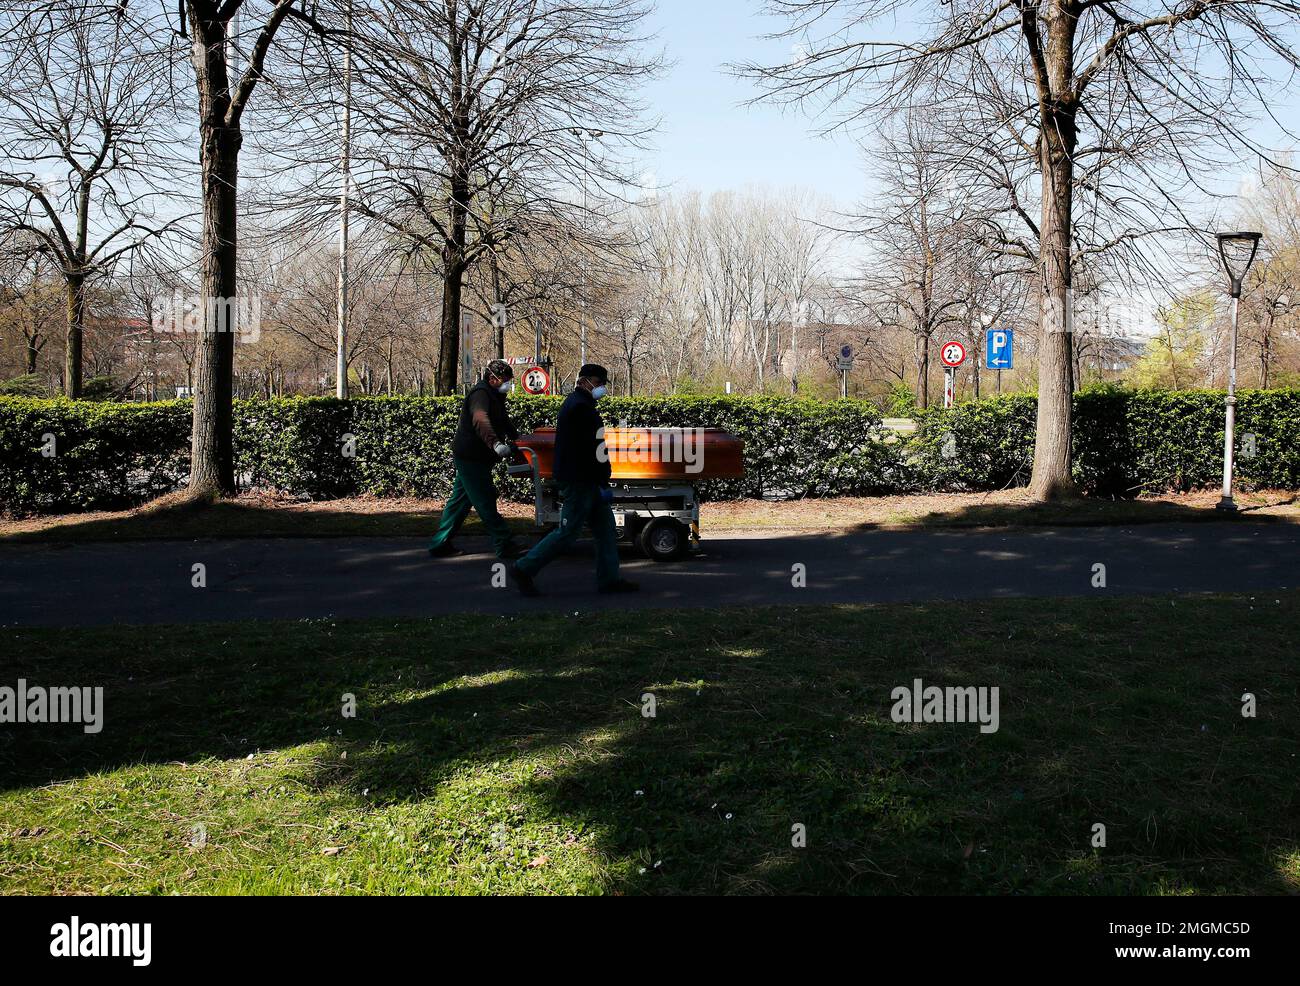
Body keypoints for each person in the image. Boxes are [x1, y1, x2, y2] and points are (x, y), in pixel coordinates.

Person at [510, 364, 638, 596]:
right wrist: (601, 476)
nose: (602, 389)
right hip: (581, 480)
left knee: (605, 529)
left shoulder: (578, 404)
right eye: (599, 384)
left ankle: (609, 580)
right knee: (568, 533)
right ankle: (524, 568)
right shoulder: (581, 408)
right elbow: (590, 449)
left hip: (585, 479)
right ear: (586, 381)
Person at [428, 359, 524, 560]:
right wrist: (496, 444)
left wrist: (518, 438)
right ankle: (504, 543)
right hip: (472, 456)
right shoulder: (480, 394)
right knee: (485, 499)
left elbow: (503, 420)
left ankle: (439, 543)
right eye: (505, 380)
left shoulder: (495, 394)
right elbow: (481, 419)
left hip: (474, 456)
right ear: (492, 378)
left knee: (460, 502)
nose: (508, 384)